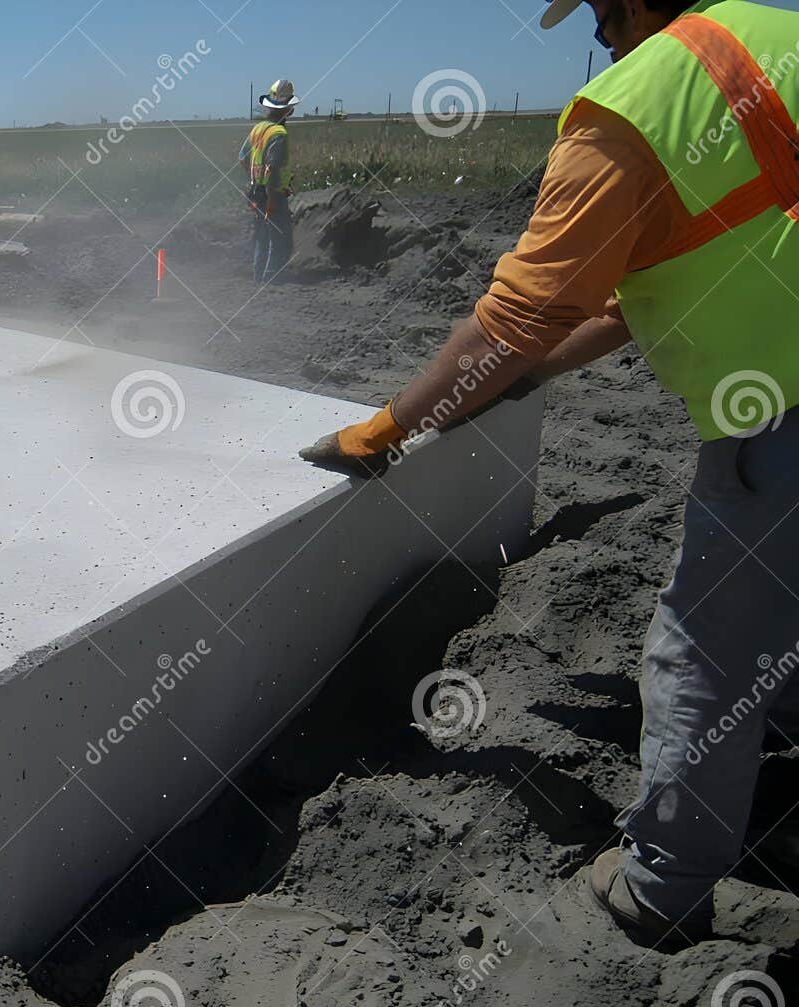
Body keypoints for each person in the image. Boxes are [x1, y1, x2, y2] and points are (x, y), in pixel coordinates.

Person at [300, 0, 799, 949]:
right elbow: (628, 299)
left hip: (782, 413)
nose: (602, 39)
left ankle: (663, 886)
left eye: (604, 16)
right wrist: (525, 377)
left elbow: (519, 316)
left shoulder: (630, 109)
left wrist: (392, 425)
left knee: (704, 649)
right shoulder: (780, 38)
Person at [240, 79, 299, 281]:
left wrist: (253, 179)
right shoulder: (279, 134)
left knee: (262, 236)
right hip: (272, 193)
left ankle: (259, 275)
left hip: (256, 191)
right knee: (280, 238)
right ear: (288, 110)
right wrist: (272, 201)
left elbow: (242, 158)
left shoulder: (258, 129)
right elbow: (273, 170)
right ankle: (272, 278)